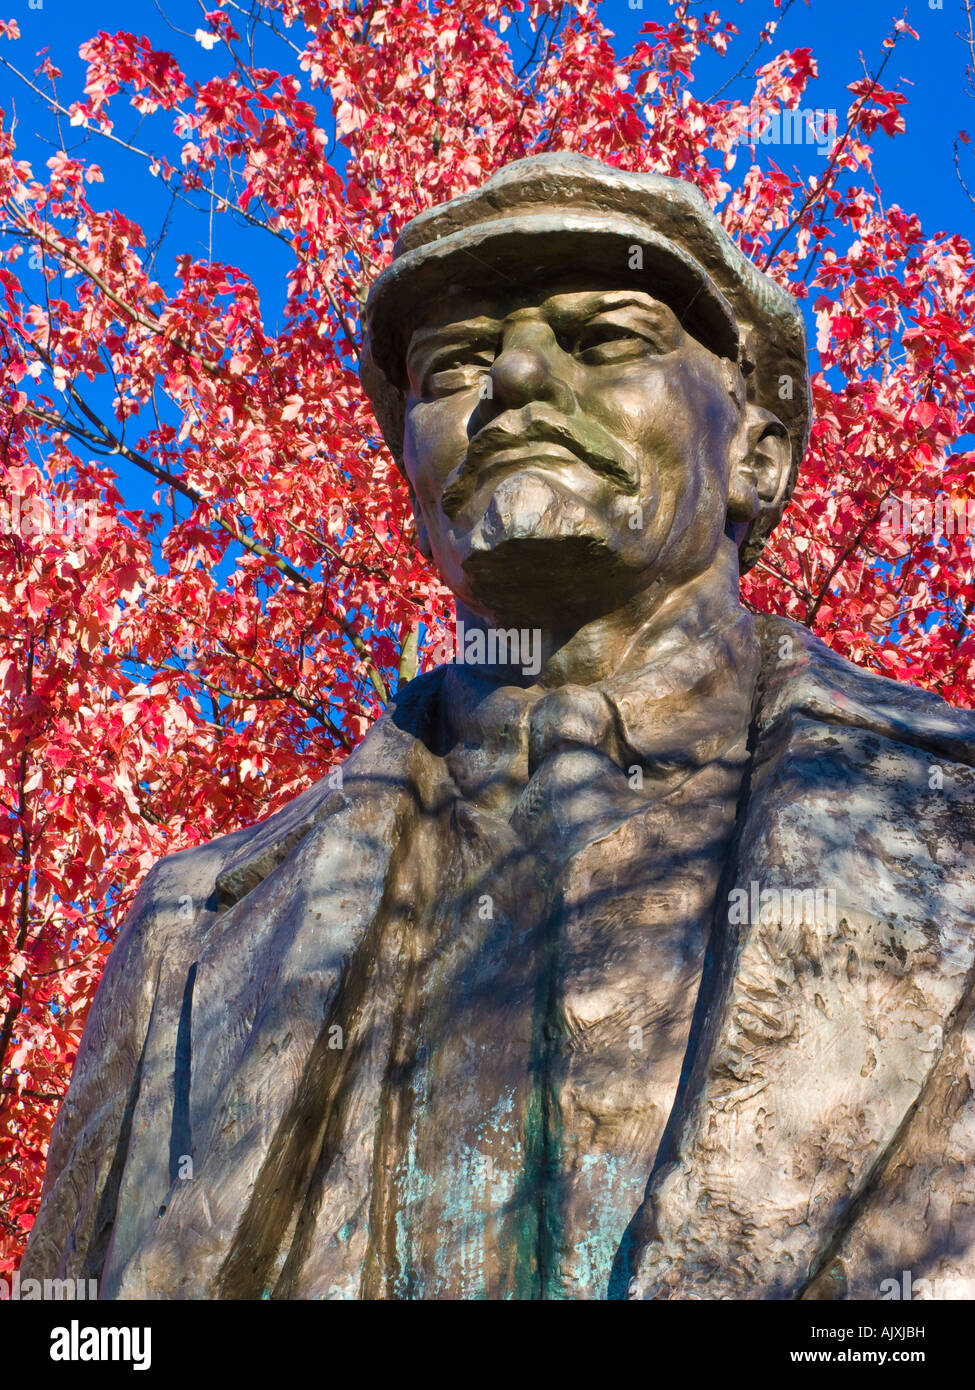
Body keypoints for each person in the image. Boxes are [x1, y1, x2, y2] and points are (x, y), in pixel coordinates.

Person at [23, 154, 975, 1301]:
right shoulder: (193, 931)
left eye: (607, 337)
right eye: (456, 363)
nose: (518, 378)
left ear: (756, 455)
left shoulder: (947, 826)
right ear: (415, 488)